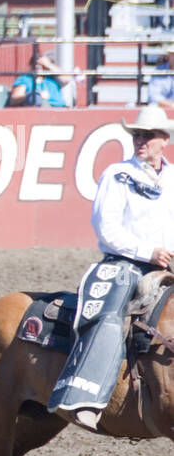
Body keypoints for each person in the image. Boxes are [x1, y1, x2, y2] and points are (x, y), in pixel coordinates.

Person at [48, 105, 174, 429]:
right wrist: (148, 251)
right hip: (126, 263)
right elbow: (107, 229)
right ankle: (84, 394)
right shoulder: (118, 175)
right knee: (107, 313)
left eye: (148, 135)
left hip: (168, 261)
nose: (140, 141)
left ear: (164, 140)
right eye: (137, 135)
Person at [8, 51, 75, 108]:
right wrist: (36, 95)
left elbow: (67, 79)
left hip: (59, 108)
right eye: (35, 64)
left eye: (41, 65)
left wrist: (49, 65)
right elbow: (15, 98)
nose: (38, 67)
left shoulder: (52, 77)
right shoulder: (25, 79)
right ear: (31, 65)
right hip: (39, 109)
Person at [147, 44, 174, 111]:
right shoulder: (159, 70)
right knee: (152, 107)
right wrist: (170, 105)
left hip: (165, 106)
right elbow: (153, 95)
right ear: (169, 55)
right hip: (162, 108)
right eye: (173, 54)